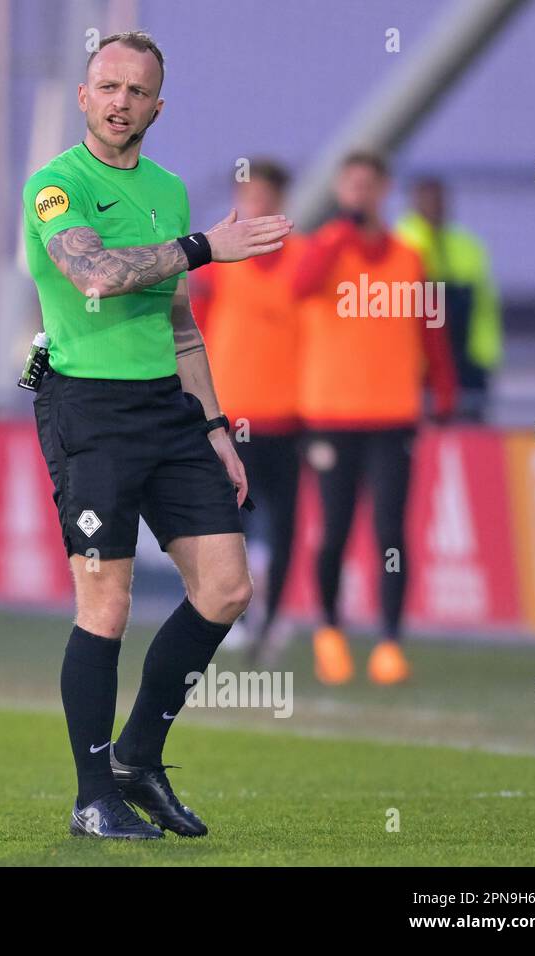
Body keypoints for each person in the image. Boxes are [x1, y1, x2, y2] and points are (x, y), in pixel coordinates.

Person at [22, 32, 293, 839]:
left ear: (157, 106)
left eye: (136, 92)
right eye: (107, 87)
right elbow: (94, 274)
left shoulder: (169, 192)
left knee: (226, 590)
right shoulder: (54, 186)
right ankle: (91, 795)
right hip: (89, 410)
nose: (120, 102)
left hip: (168, 413)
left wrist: (214, 424)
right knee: (105, 601)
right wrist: (207, 245)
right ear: (84, 96)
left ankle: (139, 755)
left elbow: (179, 326)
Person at [294, 151, 456, 687]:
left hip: (392, 416)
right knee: (335, 530)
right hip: (331, 415)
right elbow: (300, 286)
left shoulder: (408, 256)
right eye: (352, 185)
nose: (360, 194)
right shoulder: (323, 248)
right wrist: (339, 234)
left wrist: (445, 390)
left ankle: (389, 641)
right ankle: (330, 632)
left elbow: (431, 328)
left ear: (383, 189)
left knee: (390, 530)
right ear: (342, 189)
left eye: (369, 184)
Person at [189, 159, 304, 666]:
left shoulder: (305, 259)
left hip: (291, 414)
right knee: (225, 521)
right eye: (246, 195)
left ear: (279, 201)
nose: (252, 206)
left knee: (282, 526)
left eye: (261, 196)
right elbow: (194, 335)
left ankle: (273, 617)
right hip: (228, 417)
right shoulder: (217, 263)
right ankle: (228, 616)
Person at [395, 177, 502, 422]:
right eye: (429, 200)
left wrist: (484, 353)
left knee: (470, 428)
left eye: (440, 200)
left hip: (466, 359)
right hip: (419, 364)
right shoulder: (400, 243)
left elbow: (485, 307)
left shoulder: (468, 245)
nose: (436, 206)